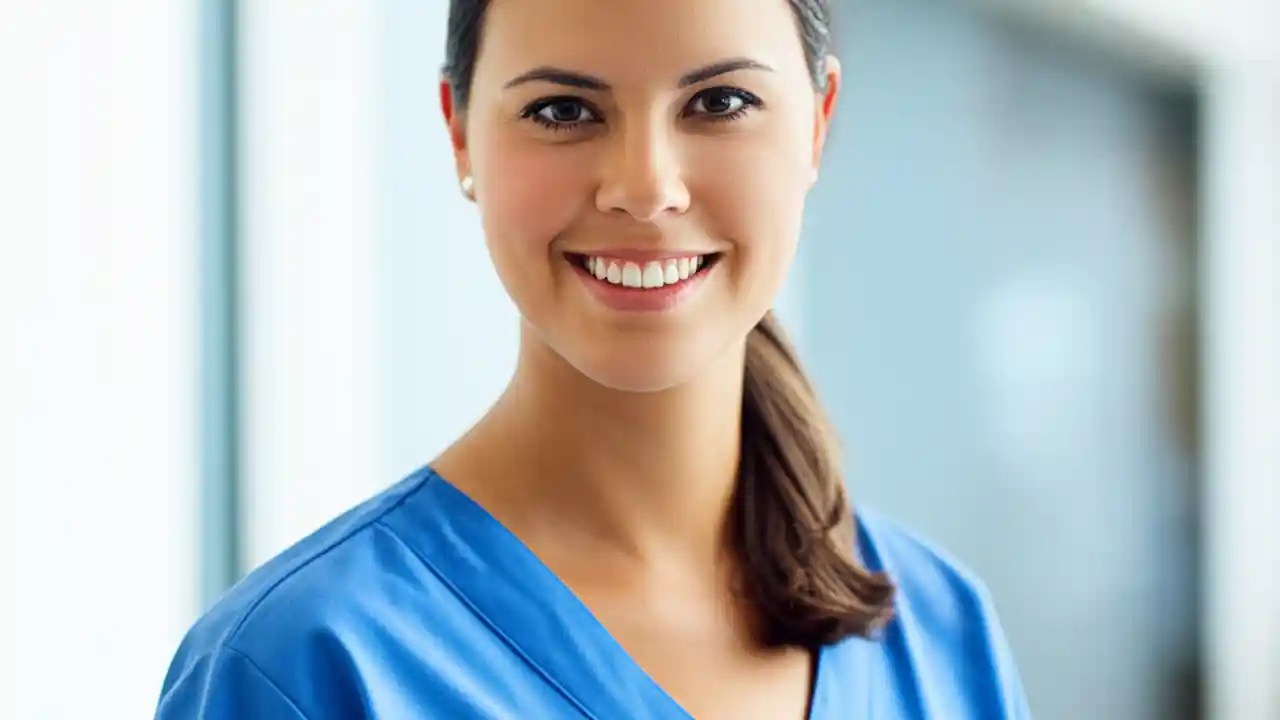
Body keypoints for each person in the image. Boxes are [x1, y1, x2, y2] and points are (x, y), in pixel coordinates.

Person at [156, 0, 1032, 717]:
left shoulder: (940, 632)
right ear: (460, 133)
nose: (646, 189)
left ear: (817, 124)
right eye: (563, 111)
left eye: (720, 102)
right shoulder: (303, 668)